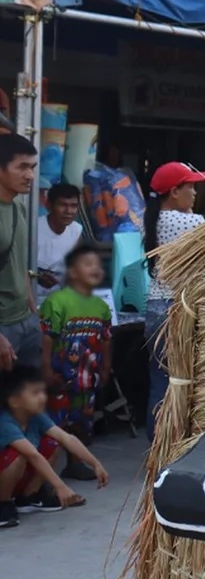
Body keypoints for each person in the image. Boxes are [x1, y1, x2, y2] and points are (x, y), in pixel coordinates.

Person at [144, 162, 205, 442]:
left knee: (160, 383)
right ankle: (174, 444)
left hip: (155, 306)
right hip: (178, 308)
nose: (194, 192)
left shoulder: (154, 219)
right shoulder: (192, 223)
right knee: (183, 383)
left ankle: (155, 445)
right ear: (174, 191)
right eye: (190, 187)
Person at [0, 364, 108, 527]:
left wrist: (95, 463)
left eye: (42, 392)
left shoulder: (36, 416)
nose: (42, 397)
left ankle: (29, 497)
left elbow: (67, 438)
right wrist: (60, 486)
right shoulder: (5, 422)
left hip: (19, 476)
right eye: (35, 393)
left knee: (53, 443)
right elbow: (33, 456)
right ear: (14, 401)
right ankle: (3, 504)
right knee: (19, 454)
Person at [39, 244, 111, 479]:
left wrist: (106, 367)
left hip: (88, 377)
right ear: (72, 272)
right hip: (61, 377)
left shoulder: (101, 306)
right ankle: (44, 477)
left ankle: (75, 463)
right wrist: (47, 370)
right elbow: (47, 338)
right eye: (88, 264)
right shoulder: (57, 301)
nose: (95, 269)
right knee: (56, 425)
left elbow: (106, 340)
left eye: (98, 265)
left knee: (82, 421)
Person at [0, 134, 40, 373]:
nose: (30, 176)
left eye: (33, 167)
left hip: (25, 322)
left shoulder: (19, 208)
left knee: (24, 405)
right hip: (2, 327)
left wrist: (32, 310)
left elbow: (20, 264)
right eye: (22, 167)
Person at [35, 183, 83, 299]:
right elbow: (18, 268)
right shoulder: (33, 228)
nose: (68, 211)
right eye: (62, 205)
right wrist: (37, 276)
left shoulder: (76, 231)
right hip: (30, 298)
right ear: (48, 206)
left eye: (73, 206)